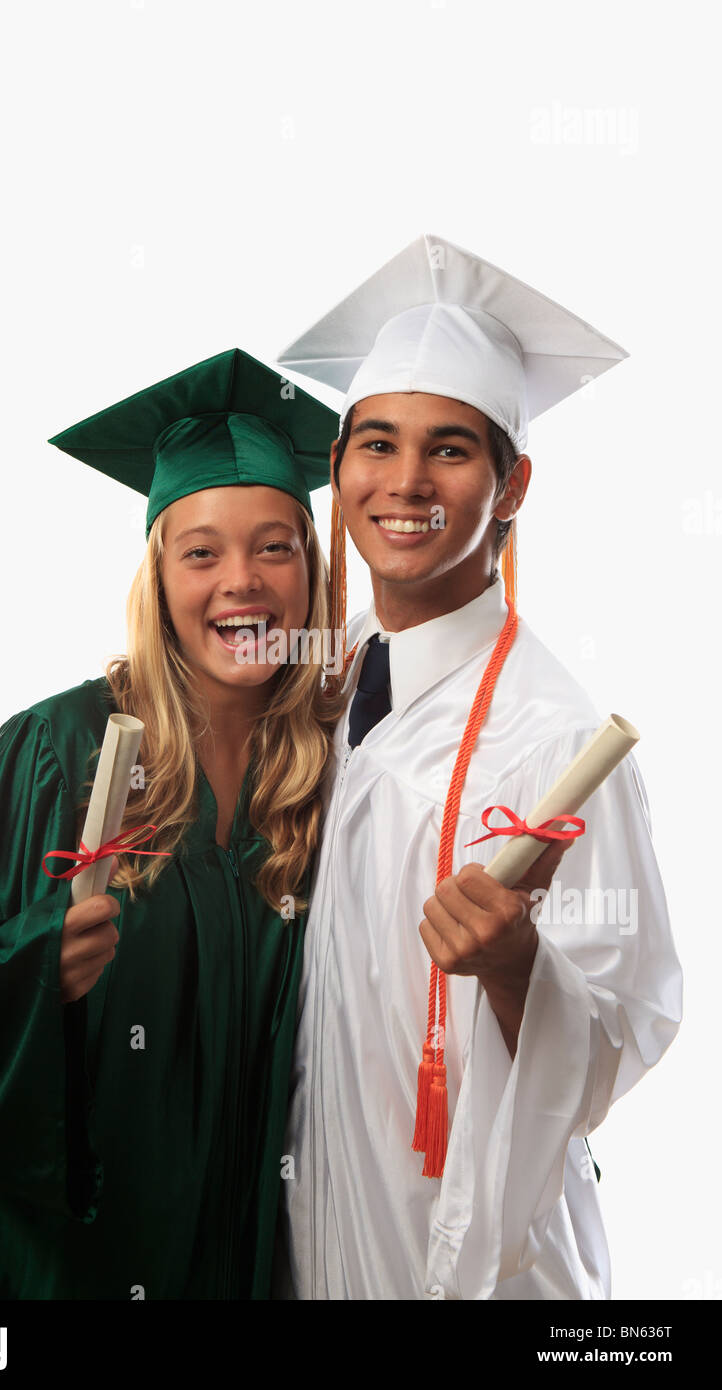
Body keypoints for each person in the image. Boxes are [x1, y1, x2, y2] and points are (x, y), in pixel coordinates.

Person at [0, 347, 345, 1300]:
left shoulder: (329, 779)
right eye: (201, 551)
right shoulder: (59, 746)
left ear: (310, 568)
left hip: (223, 1253)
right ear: (160, 577)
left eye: (274, 546)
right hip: (47, 1261)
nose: (240, 582)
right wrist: (26, 959)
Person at [273, 234, 683, 1300]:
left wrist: (513, 964)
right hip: (320, 1211)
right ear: (337, 467)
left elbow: (615, 1038)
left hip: (474, 1245)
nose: (404, 481)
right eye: (376, 444)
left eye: (450, 449)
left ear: (511, 486)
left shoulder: (554, 740)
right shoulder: (329, 673)